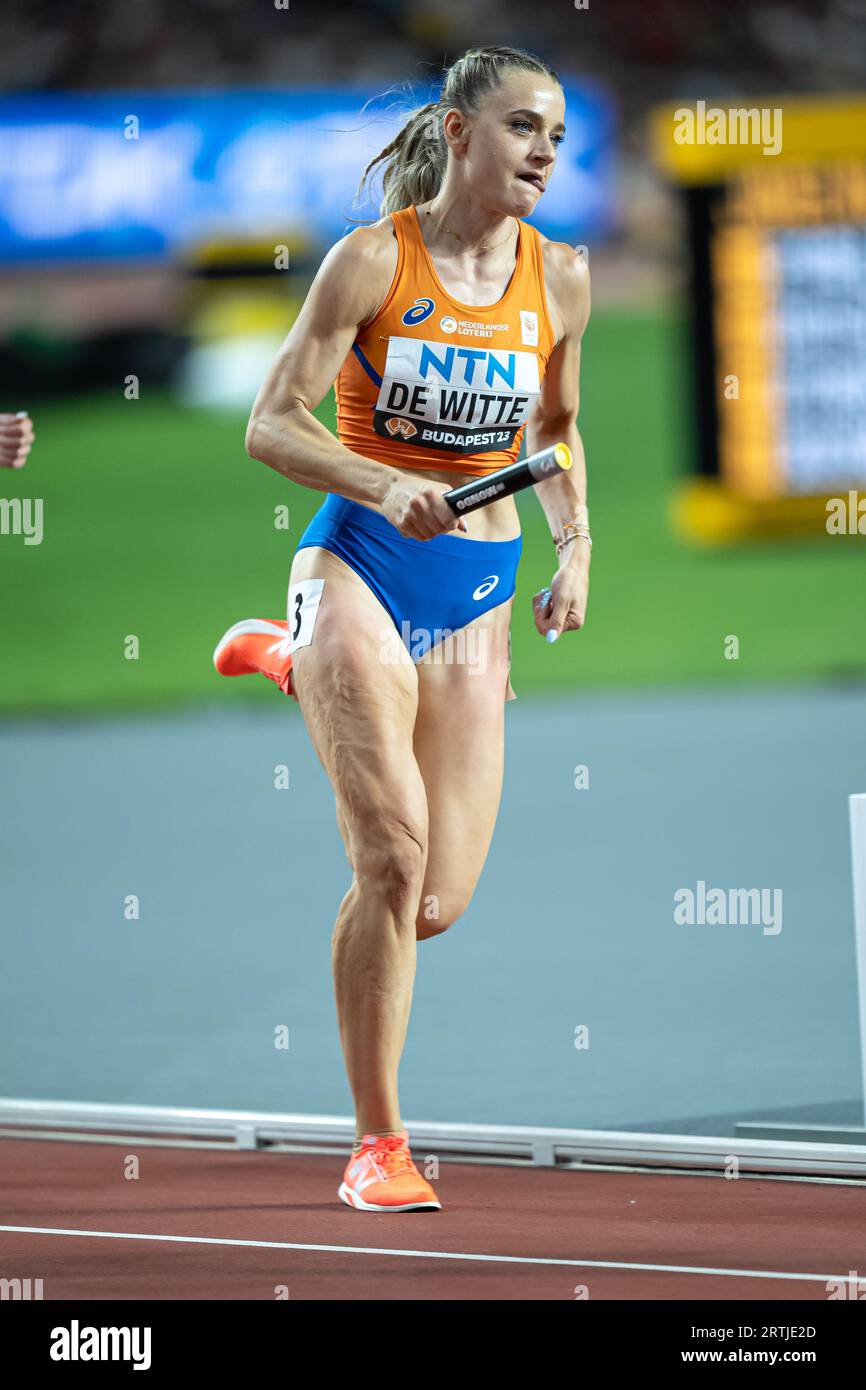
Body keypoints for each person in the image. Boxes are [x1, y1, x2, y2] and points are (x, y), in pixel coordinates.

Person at [215, 45, 591, 1212]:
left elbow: (555, 427)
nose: (541, 153)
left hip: (475, 601)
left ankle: (287, 664)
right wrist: (381, 486)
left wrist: (577, 542)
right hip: (361, 562)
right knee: (389, 857)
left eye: (557, 139)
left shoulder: (561, 279)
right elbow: (270, 425)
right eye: (522, 127)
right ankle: (377, 1142)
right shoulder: (374, 261)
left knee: (436, 903)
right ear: (458, 128)